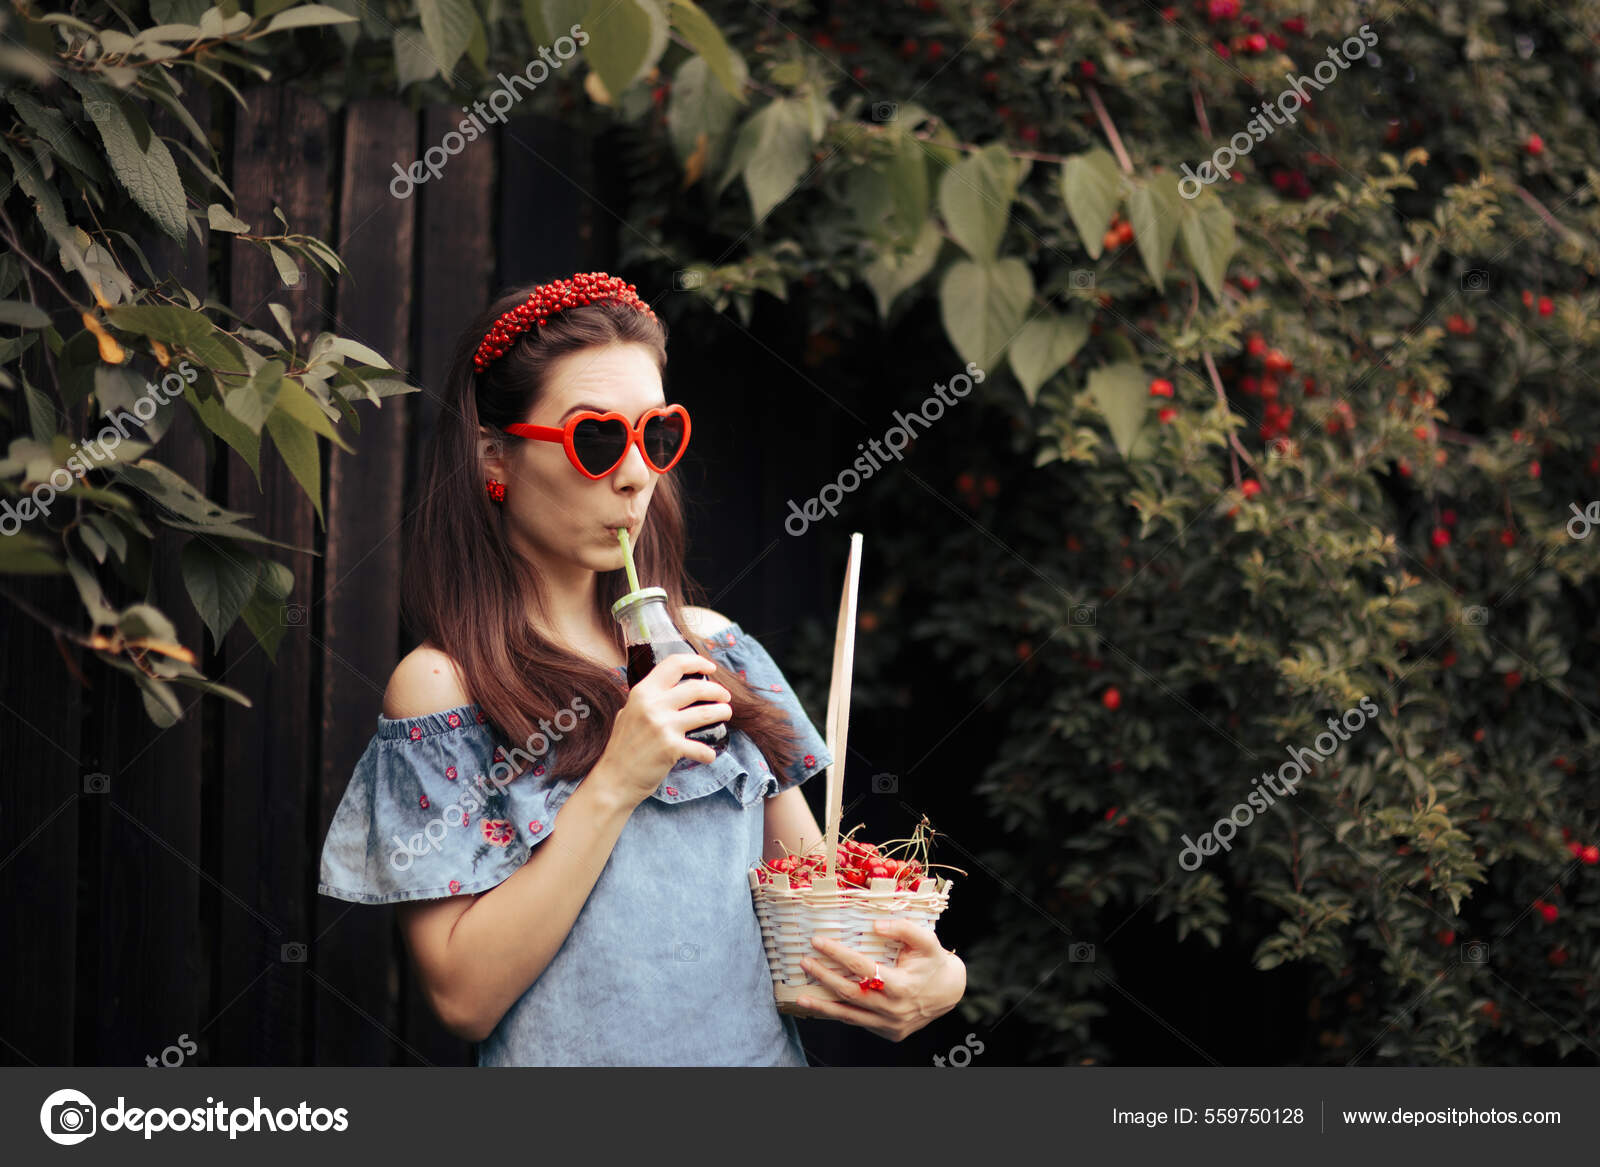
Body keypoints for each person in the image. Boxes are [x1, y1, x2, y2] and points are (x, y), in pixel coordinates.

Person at [317, 272, 966, 1066]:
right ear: (497, 457)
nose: (635, 475)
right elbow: (463, 996)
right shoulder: (446, 688)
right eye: (595, 439)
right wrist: (618, 778)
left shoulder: (719, 650)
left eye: (654, 436)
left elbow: (820, 922)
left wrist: (936, 977)